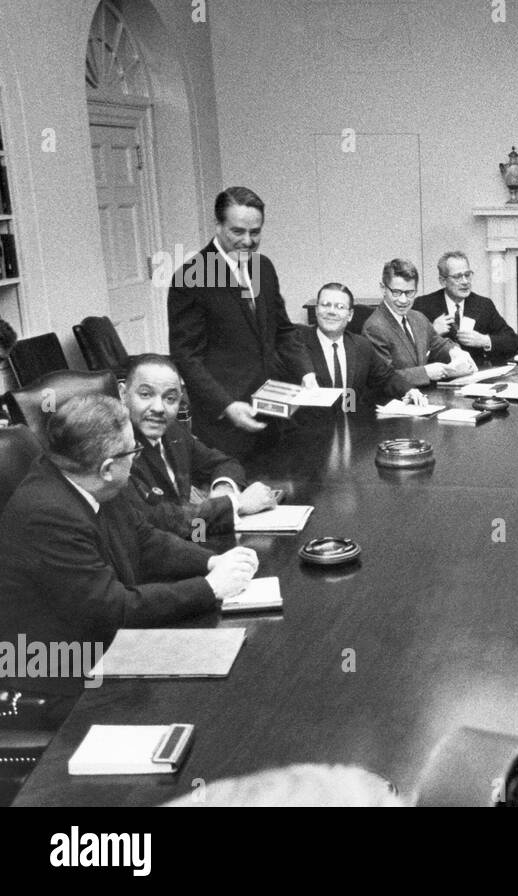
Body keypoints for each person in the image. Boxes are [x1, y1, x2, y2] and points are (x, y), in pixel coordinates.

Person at [0, 395, 258, 720]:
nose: (137, 459)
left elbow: (145, 539)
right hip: (59, 673)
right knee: (217, 706)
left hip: (105, 645)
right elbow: (112, 609)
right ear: (107, 467)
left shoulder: (92, 480)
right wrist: (209, 589)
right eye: (134, 451)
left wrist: (211, 562)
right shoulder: (47, 515)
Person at [167, 186, 303, 459]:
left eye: (255, 232)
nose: (248, 241)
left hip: (272, 416)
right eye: (238, 232)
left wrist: (307, 375)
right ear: (218, 226)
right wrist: (227, 405)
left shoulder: (263, 267)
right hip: (225, 425)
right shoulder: (193, 275)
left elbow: (284, 330)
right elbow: (186, 356)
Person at [120, 354, 278, 539]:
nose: (159, 408)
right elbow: (165, 523)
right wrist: (237, 504)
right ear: (123, 394)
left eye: (170, 398)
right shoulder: (119, 452)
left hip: (192, 543)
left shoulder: (173, 432)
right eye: (146, 394)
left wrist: (223, 490)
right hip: (157, 558)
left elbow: (225, 463)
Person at [297, 282, 428, 406]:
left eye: (340, 307)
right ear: (316, 310)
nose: (332, 311)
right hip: (311, 426)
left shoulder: (361, 345)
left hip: (352, 422)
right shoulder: (296, 344)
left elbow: (386, 377)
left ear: (350, 315)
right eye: (325, 305)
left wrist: (409, 391)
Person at [362, 259, 476, 387]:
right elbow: (383, 378)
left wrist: (454, 352)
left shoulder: (418, 317)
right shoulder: (374, 327)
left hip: (423, 398)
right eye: (396, 292)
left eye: (410, 293)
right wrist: (426, 373)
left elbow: (437, 344)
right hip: (394, 402)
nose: (403, 300)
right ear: (383, 288)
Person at [412, 251, 518, 365]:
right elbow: (407, 349)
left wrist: (484, 340)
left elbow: (513, 342)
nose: (465, 282)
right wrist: (432, 332)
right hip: (439, 377)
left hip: (476, 376)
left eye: (467, 275)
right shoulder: (423, 305)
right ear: (443, 281)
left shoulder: (483, 305)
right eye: (457, 277)